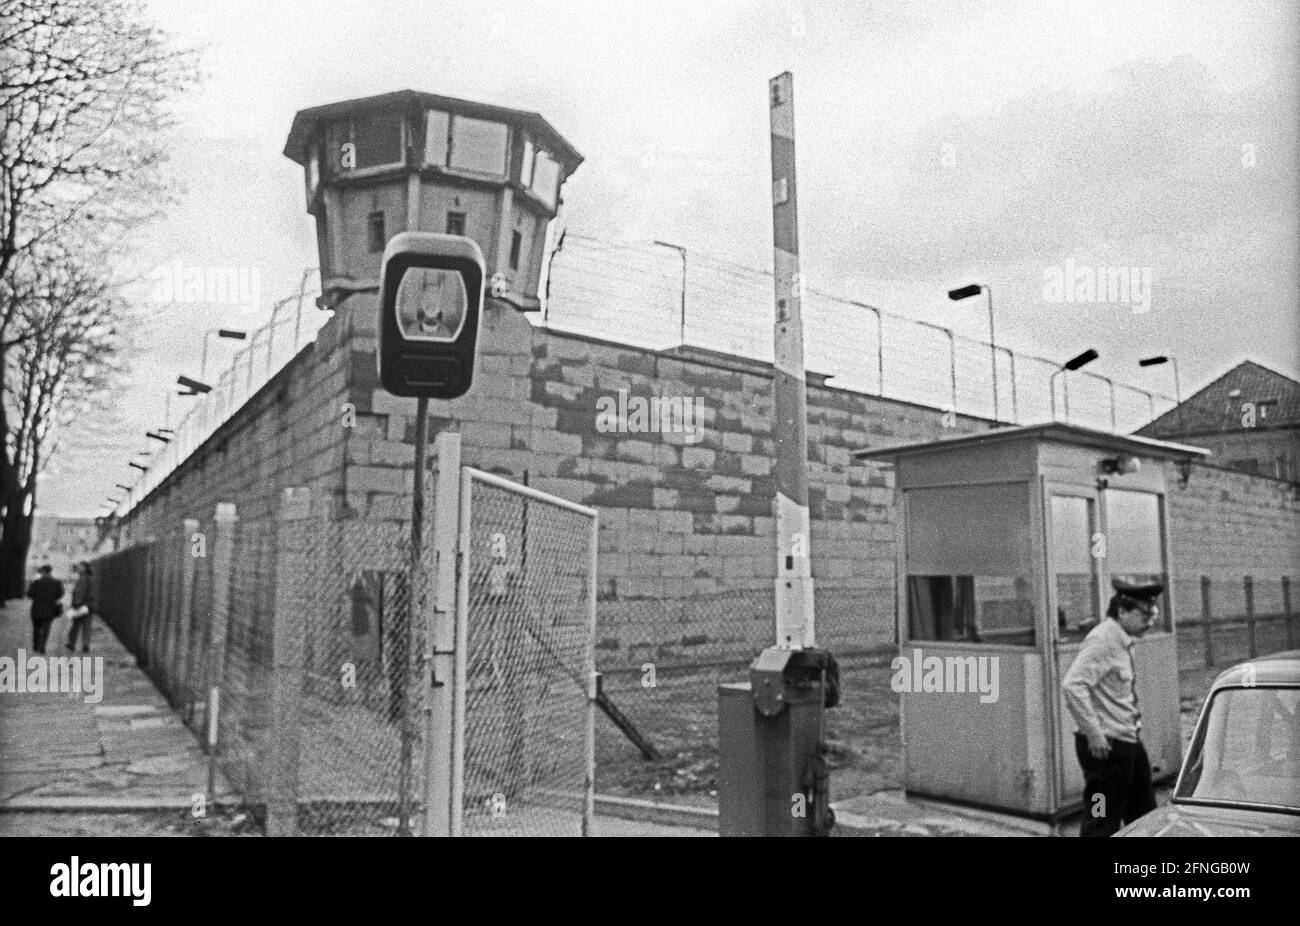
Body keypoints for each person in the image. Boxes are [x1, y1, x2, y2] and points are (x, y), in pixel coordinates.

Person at [1061, 577, 1163, 836]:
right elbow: (1073, 685)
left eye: (1153, 613)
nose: (1150, 621)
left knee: (1144, 814)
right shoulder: (1104, 640)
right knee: (1100, 816)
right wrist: (1094, 734)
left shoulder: (1122, 639)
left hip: (1126, 742)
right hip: (1104, 751)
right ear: (1122, 611)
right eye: (1144, 613)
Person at [26, 563, 64, 655]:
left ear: (43, 571)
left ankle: (36, 646)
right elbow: (60, 594)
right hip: (50, 609)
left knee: (36, 628)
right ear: (50, 571)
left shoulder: (36, 582)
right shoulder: (57, 582)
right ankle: (43, 647)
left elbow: (30, 594)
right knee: (46, 629)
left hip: (37, 609)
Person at [66, 561, 94, 652]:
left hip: (81, 605)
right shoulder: (89, 578)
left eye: (80, 567)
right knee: (86, 626)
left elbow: (80, 593)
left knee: (76, 625)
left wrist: (75, 604)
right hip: (88, 605)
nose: (78, 568)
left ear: (85, 568)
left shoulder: (83, 579)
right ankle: (85, 645)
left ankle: (72, 644)